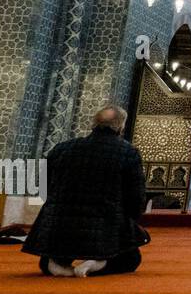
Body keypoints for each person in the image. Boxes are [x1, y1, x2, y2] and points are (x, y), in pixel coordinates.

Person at [21, 106, 149, 277]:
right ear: (121, 127)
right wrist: (130, 220)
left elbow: (43, 188)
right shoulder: (127, 152)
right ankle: (97, 263)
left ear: (93, 124)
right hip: (105, 226)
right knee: (130, 259)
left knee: (51, 256)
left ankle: (56, 263)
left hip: (60, 225)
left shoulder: (62, 148)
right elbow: (135, 196)